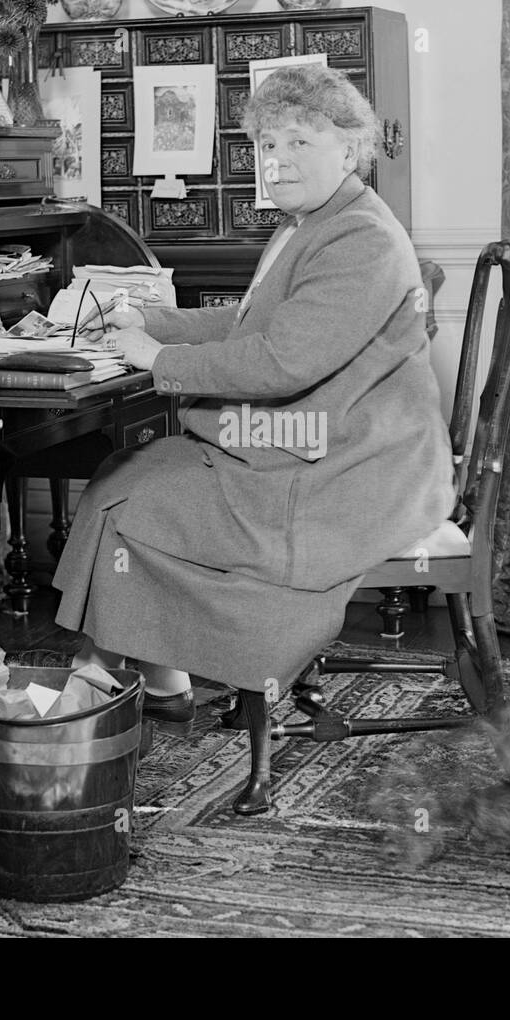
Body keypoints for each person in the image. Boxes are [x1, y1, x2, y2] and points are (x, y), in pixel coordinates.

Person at [52, 64, 454, 738]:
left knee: (133, 498)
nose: (278, 160)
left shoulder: (359, 238)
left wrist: (161, 361)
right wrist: (149, 324)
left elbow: (283, 360)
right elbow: (250, 323)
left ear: (349, 150)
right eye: (268, 145)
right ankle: (151, 677)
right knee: (127, 473)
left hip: (354, 474)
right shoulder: (314, 221)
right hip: (326, 448)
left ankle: (110, 678)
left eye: (301, 143)